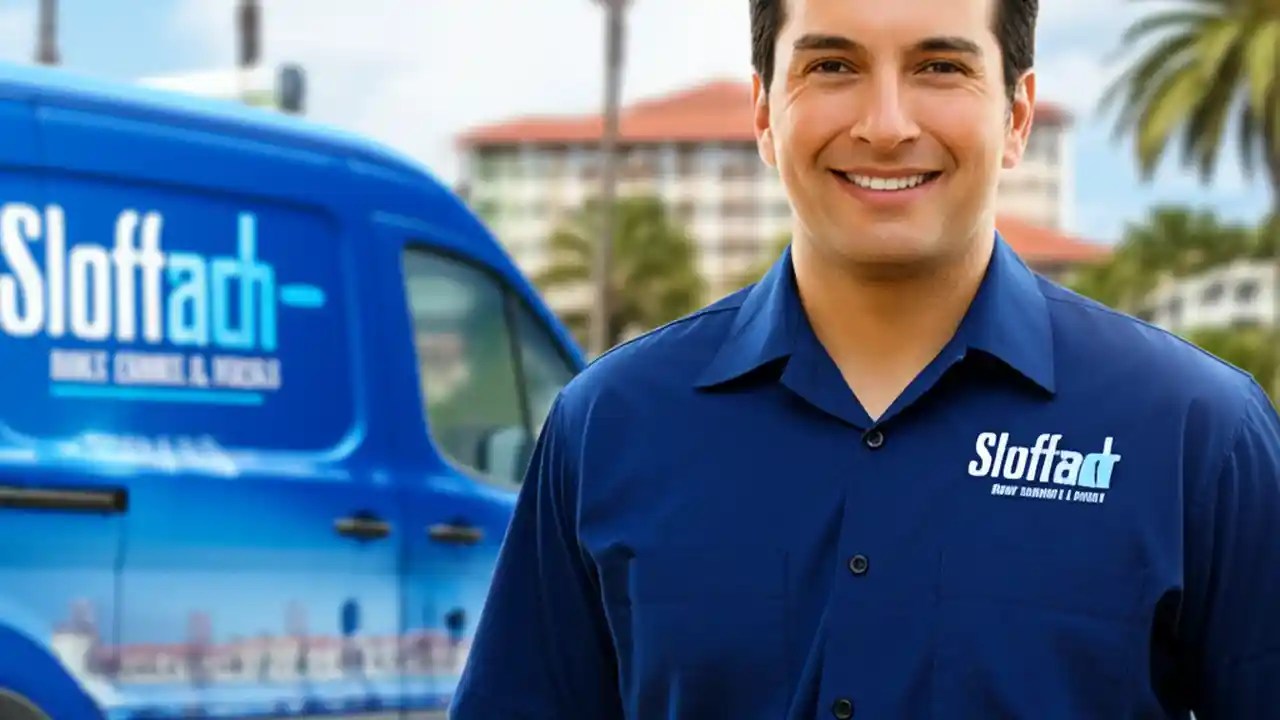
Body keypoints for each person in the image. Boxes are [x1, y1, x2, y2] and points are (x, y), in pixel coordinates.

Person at [450, 0, 1280, 717]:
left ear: (1017, 117)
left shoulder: (1197, 433)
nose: (885, 125)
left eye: (941, 67)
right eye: (834, 65)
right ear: (766, 113)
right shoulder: (608, 426)